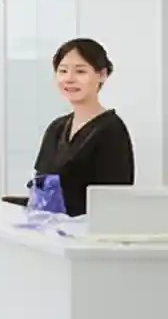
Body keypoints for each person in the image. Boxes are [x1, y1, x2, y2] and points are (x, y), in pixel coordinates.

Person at [32, 38, 134, 216]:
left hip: (88, 236)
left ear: (102, 75)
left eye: (80, 71)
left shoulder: (111, 130)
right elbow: (40, 187)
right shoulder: (56, 128)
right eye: (63, 71)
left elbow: (114, 201)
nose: (69, 79)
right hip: (49, 232)